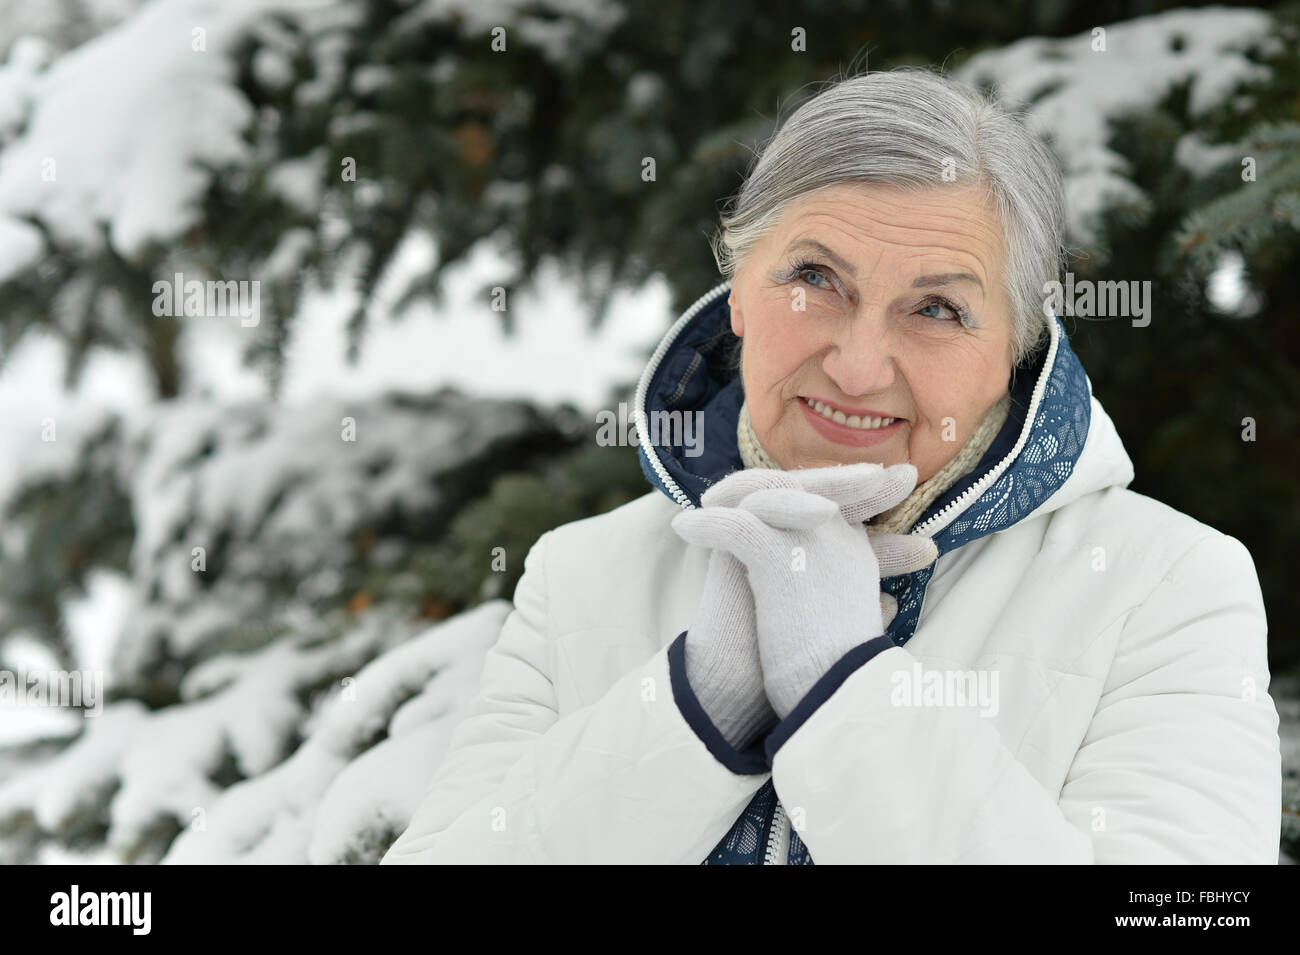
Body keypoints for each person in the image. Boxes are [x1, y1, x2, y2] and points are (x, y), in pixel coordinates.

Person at [381, 66, 1281, 864]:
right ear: (737, 290)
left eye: (937, 308)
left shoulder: (1164, 585)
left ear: (1017, 345)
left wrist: (845, 688)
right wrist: (703, 701)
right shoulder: (581, 573)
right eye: (816, 278)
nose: (858, 363)